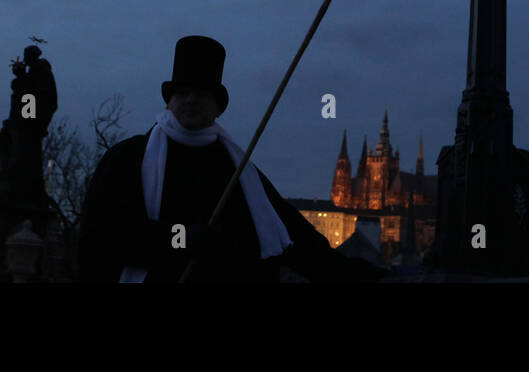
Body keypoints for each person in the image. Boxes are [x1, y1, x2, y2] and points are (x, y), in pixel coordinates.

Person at [78, 35, 385, 283]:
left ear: (217, 108)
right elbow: (101, 236)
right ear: (169, 101)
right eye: (183, 92)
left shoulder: (238, 170)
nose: (191, 100)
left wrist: (359, 274)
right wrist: (182, 237)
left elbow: (294, 239)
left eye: (202, 94)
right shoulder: (128, 158)